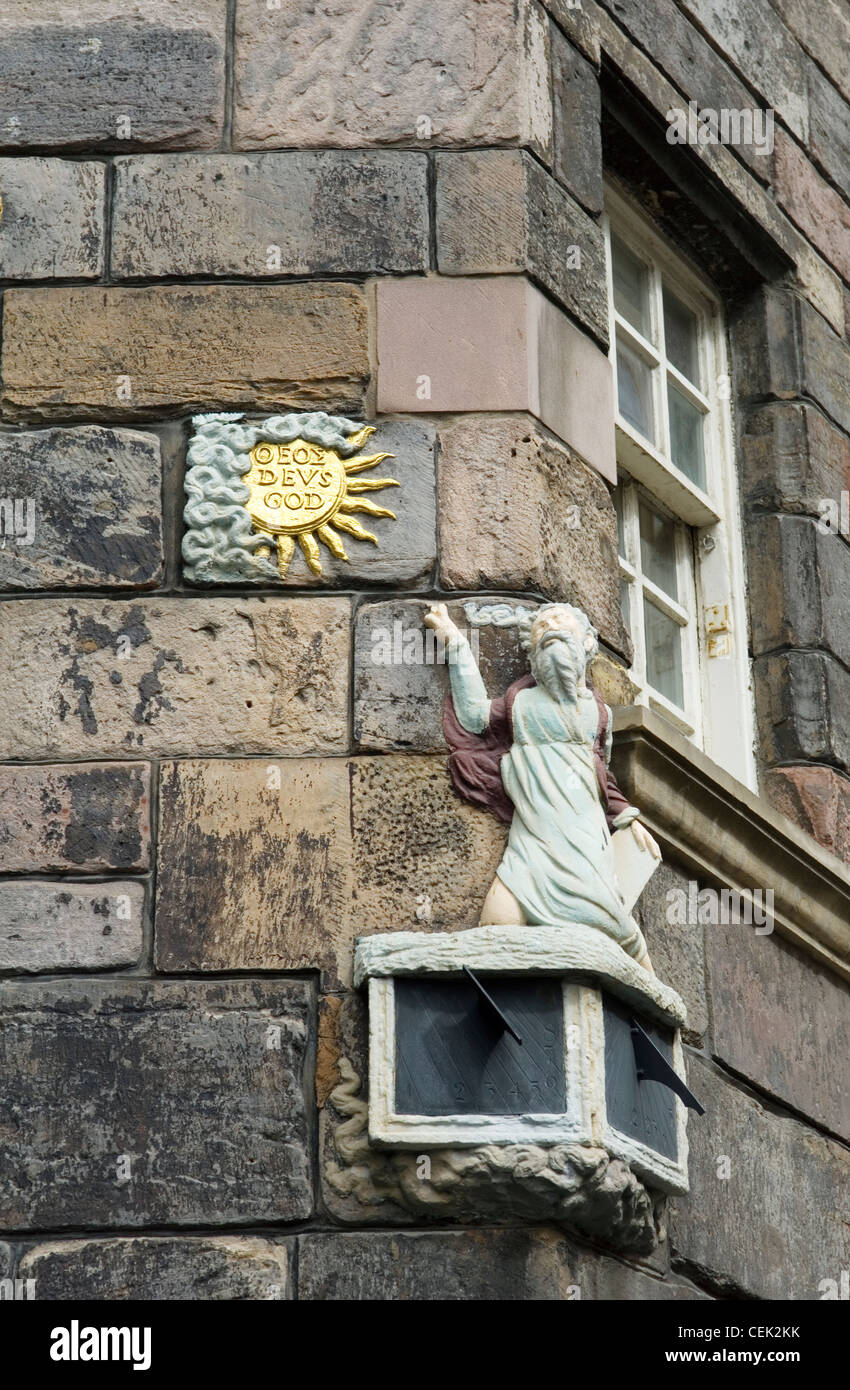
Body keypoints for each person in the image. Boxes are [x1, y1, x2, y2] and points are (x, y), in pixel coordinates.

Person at [424, 601, 661, 973]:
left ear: (586, 643)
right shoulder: (522, 703)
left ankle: (651, 991)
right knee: (498, 920)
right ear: (533, 657)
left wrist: (627, 818)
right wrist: (457, 645)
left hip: (583, 831)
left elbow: (602, 774)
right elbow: (473, 715)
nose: (549, 624)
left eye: (560, 621)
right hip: (534, 833)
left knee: (605, 914)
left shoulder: (600, 714)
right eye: (542, 627)